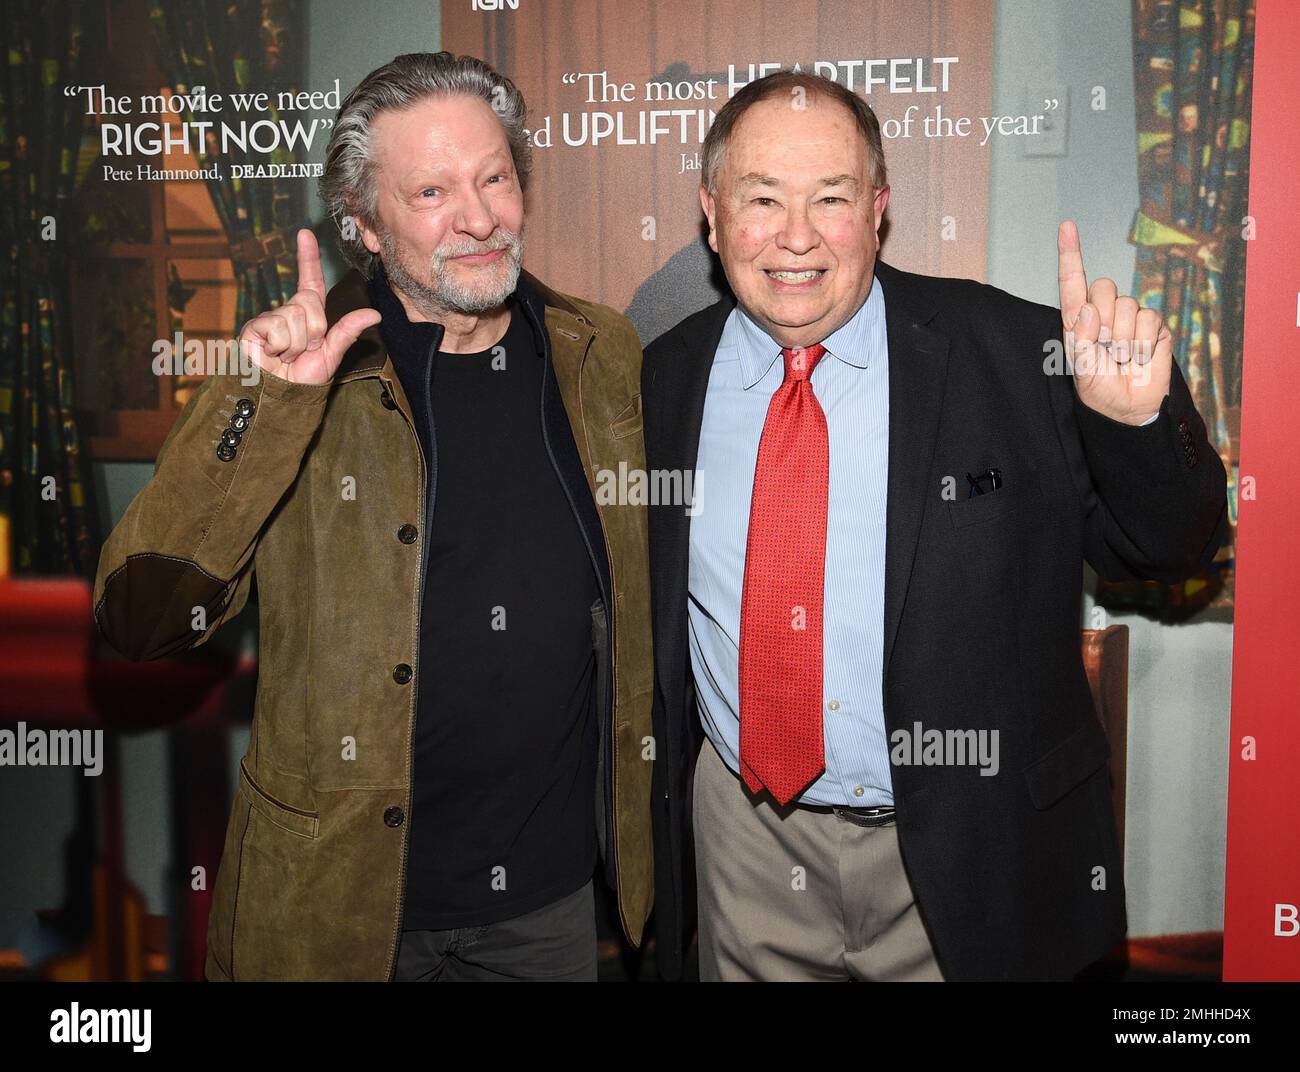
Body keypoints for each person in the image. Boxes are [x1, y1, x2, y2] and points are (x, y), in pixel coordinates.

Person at [642, 70, 1228, 982]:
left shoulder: (1016, 353)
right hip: (746, 850)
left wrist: (1136, 426)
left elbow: (1166, 549)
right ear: (712, 215)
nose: (796, 236)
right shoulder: (658, 382)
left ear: (877, 211)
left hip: (974, 847)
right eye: (762, 199)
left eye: (830, 198)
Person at [93, 51, 655, 982]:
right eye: (432, 190)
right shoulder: (296, 382)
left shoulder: (601, 355)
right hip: (336, 914)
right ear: (362, 224)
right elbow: (140, 621)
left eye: (495, 177)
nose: (479, 218)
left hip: (548, 913)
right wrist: (265, 406)